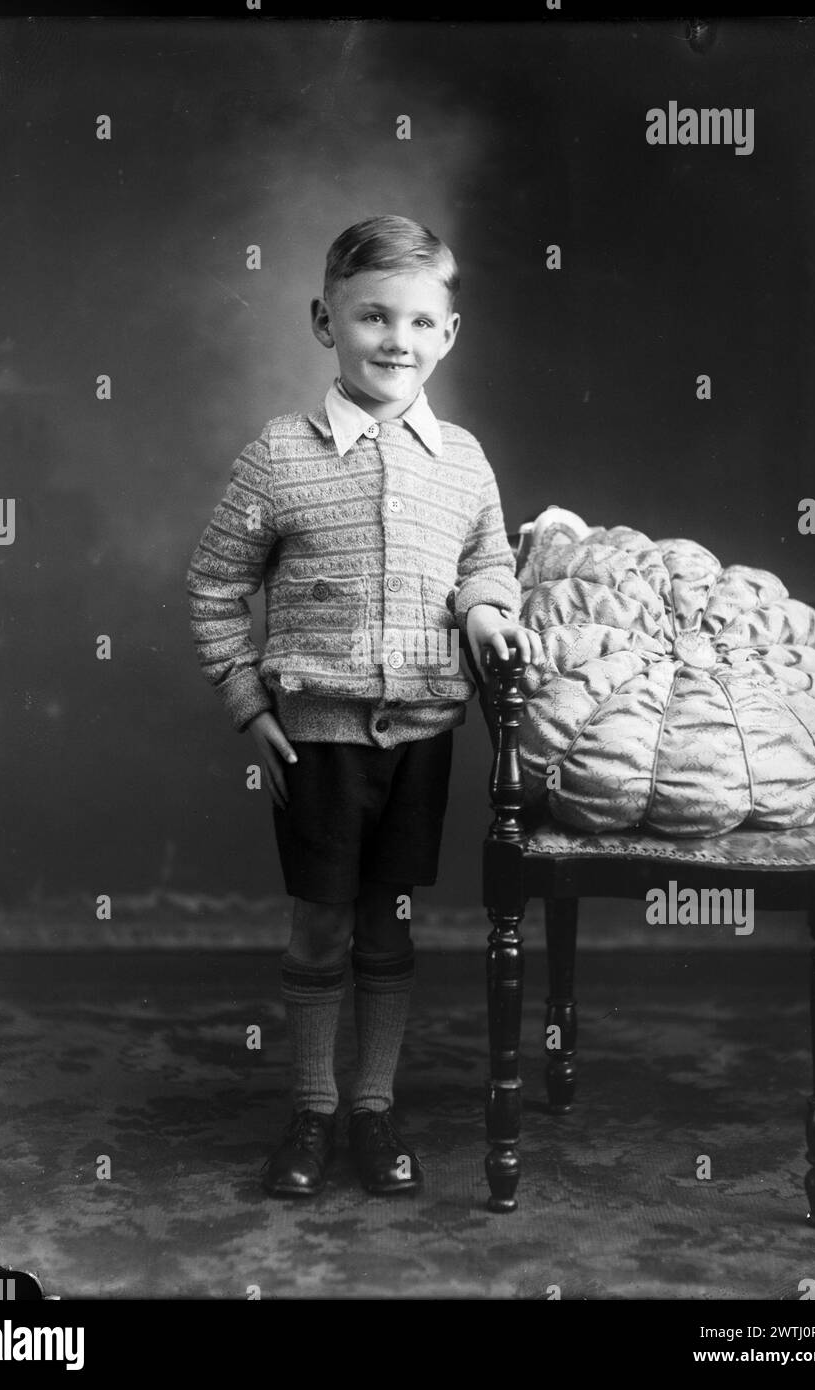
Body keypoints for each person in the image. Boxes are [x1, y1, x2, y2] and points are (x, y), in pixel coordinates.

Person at [187, 214, 543, 1198]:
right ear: (323, 321)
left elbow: (488, 567)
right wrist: (245, 697)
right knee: (319, 923)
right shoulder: (279, 456)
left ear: (450, 334)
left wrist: (482, 617)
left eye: (421, 321)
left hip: (423, 738)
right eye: (373, 316)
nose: (397, 339)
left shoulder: (463, 461)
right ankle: (311, 1108)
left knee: (388, 925)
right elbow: (215, 585)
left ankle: (374, 1105)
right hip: (317, 743)